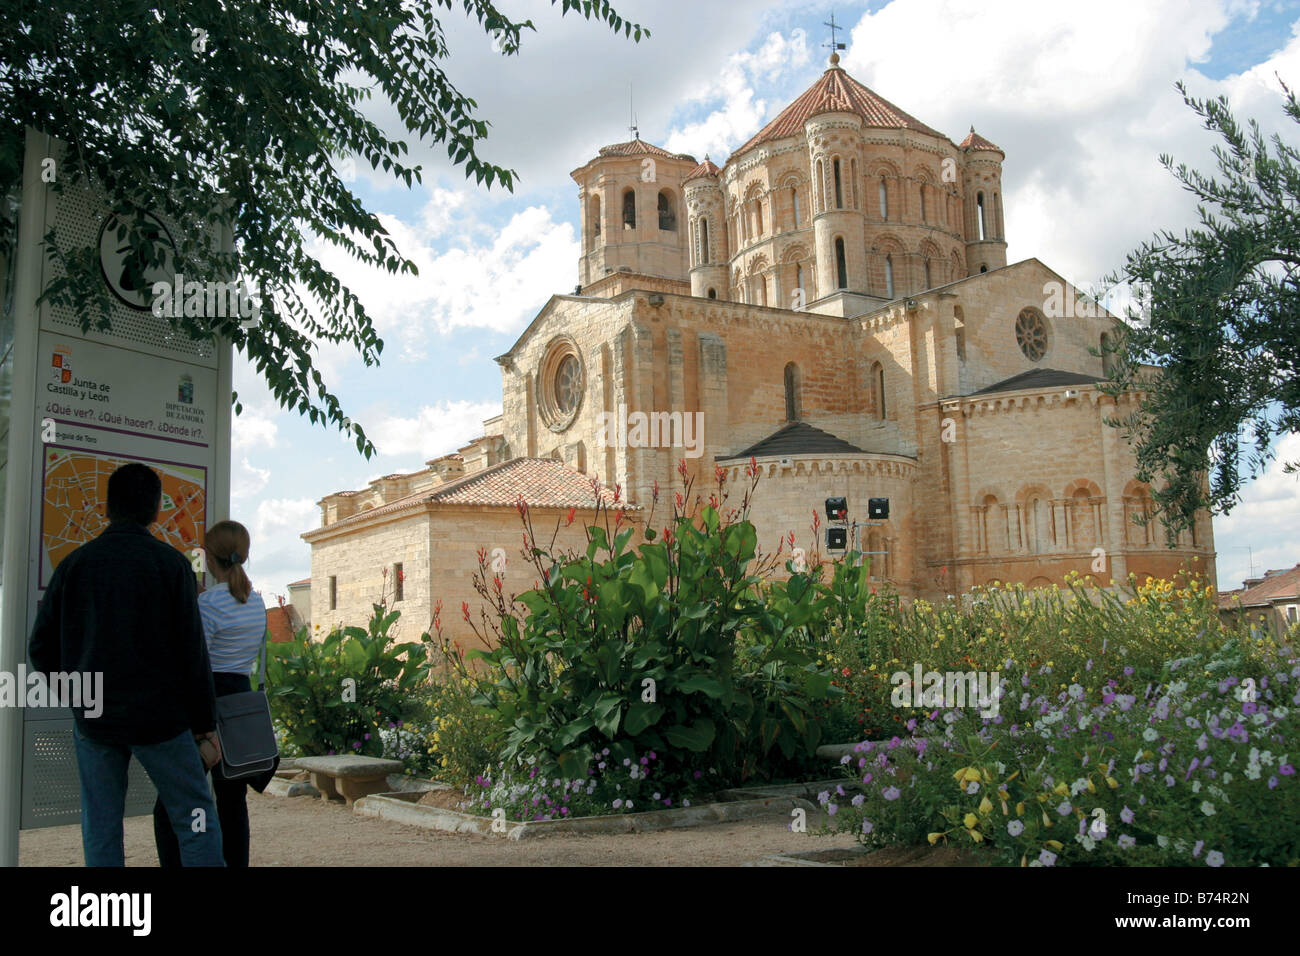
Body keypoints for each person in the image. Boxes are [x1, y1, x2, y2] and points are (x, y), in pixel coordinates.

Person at [29, 462, 225, 866]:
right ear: (155, 510)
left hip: (96, 720)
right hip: (162, 720)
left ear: (107, 508)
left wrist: (80, 696)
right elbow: (192, 652)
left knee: (100, 825)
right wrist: (205, 723)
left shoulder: (74, 565)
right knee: (195, 818)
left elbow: (41, 648)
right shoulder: (171, 566)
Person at [154, 520, 268, 868]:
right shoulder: (257, 603)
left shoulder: (206, 605)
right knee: (233, 801)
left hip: (206, 702)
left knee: (173, 799)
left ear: (209, 557)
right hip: (240, 700)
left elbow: (195, 663)